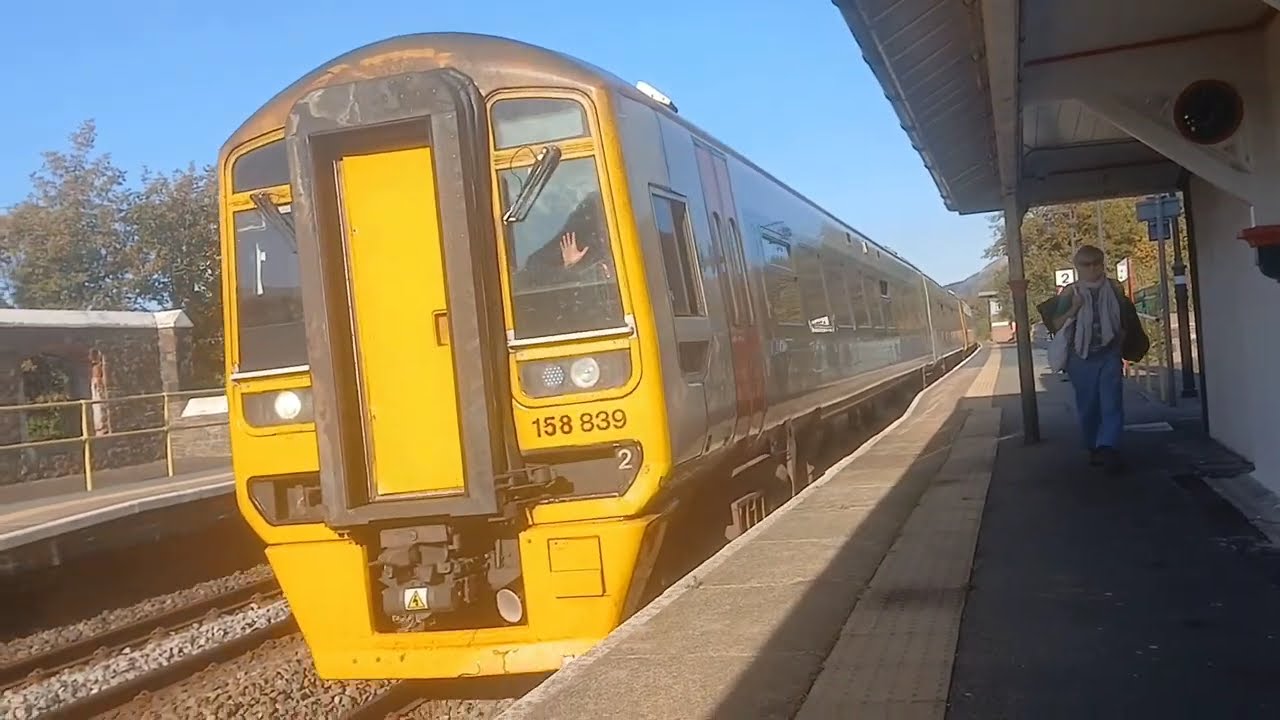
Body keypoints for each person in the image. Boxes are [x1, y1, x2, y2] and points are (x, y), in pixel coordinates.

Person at [1052, 244, 1130, 473]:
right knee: (1089, 406)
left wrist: (1122, 345)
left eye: (1097, 263)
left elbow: (1125, 318)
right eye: (1087, 264)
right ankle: (1094, 446)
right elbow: (1056, 324)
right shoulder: (1070, 292)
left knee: (1112, 402)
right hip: (1081, 357)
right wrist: (1074, 308)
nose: (1093, 268)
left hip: (1109, 353)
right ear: (1078, 267)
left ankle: (1108, 447)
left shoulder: (1114, 288)